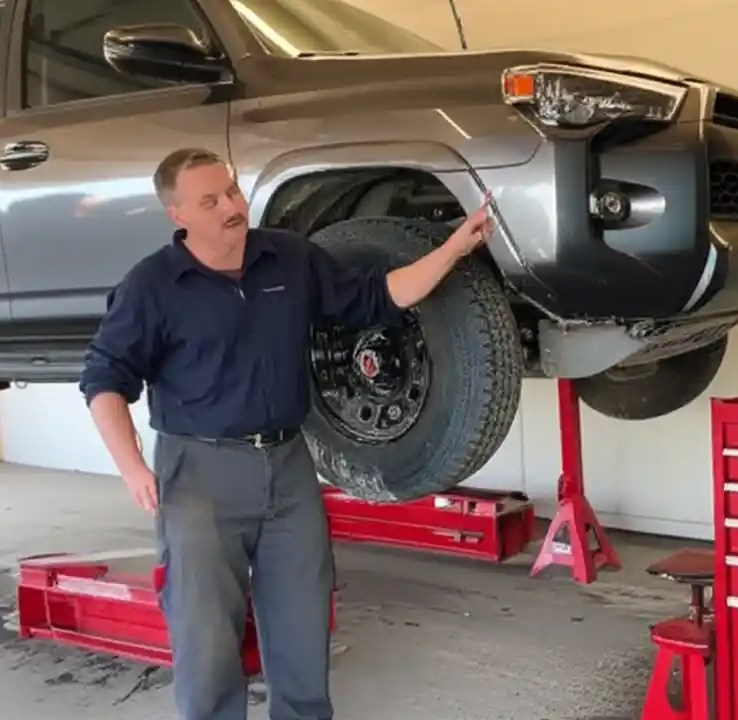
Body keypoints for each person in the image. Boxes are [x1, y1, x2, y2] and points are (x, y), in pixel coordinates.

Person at [78, 147, 494, 720]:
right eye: (210, 200)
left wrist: (453, 249)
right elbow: (103, 377)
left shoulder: (290, 258)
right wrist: (130, 466)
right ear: (179, 215)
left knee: (302, 624)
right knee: (207, 641)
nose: (231, 206)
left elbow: (379, 295)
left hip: (288, 466)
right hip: (199, 474)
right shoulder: (151, 286)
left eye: (232, 191)